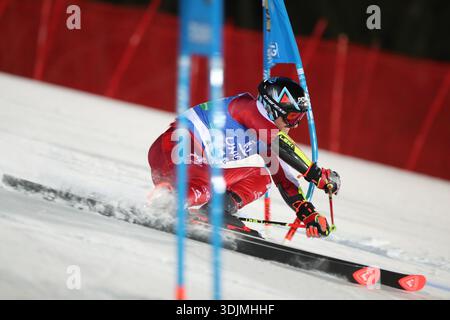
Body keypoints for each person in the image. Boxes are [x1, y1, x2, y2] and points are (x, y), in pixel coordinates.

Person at [148, 77, 340, 238]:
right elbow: (278, 142)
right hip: (173, 149)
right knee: (206, 183)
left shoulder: (268, 138)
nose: (294, 126)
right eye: (291, 118)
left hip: (194, 169)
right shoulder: (249, 107)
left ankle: (213, 212)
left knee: (262, 178)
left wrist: (309, 215)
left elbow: (285, 182)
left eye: (299, 120)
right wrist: (316, 174)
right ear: (272, 108)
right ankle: (171, 202)